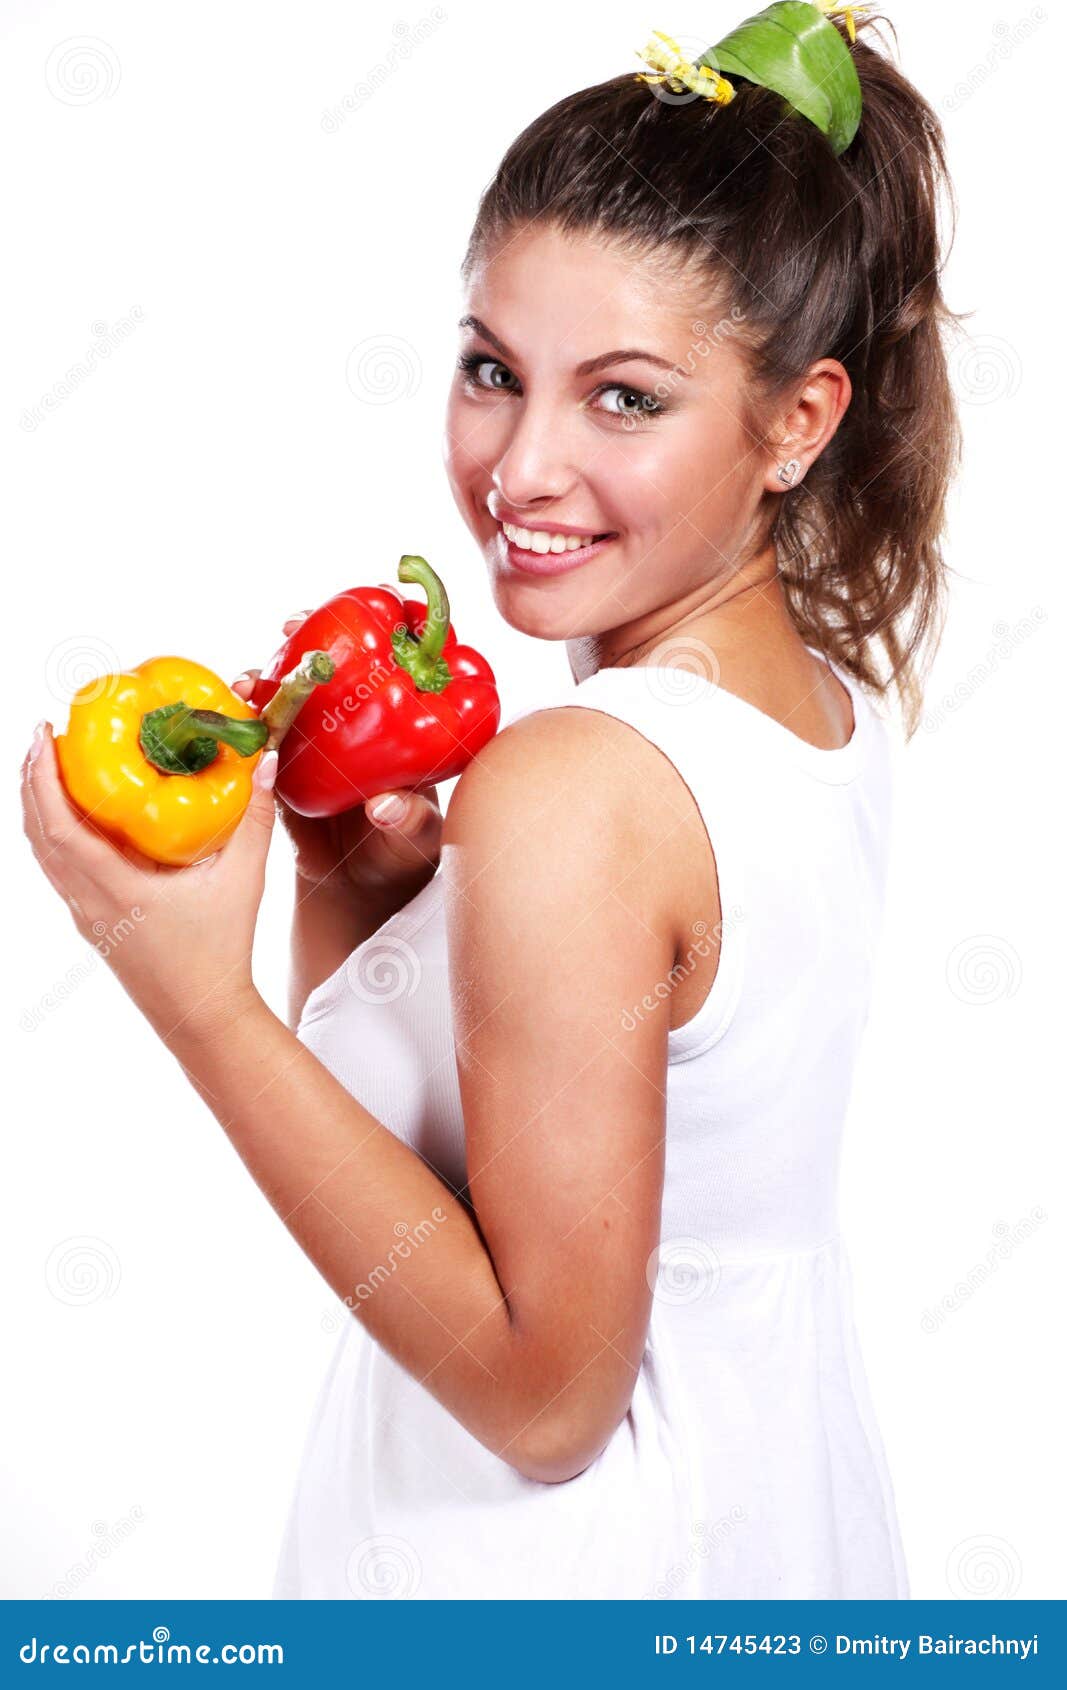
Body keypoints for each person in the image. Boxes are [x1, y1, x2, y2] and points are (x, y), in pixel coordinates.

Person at [22, 4, 962, 1599]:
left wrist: (188, 995)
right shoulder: (815, 707)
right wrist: (361, 892)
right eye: (491, 371)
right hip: (765, 1534)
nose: (520, 468)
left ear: (798, 423)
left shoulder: (572, 784)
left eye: (624, 398)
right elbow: (479, 1177)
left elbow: (544, 1398)